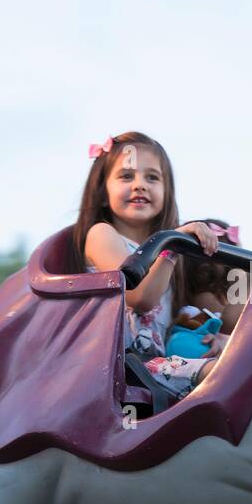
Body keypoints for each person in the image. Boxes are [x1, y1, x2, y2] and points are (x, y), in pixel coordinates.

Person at [73, 131, 219, 399]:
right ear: (103, 193)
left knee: (243, 361)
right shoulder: (101, 235)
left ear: (166, 191)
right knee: (222, 373)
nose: (140, 185)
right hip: (125, 369)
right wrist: (172, 246)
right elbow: (140, 298)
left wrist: (219, 338)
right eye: (126, 176)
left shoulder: (171, 259)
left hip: (162, 362)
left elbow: (179, 320)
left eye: (152, 177)